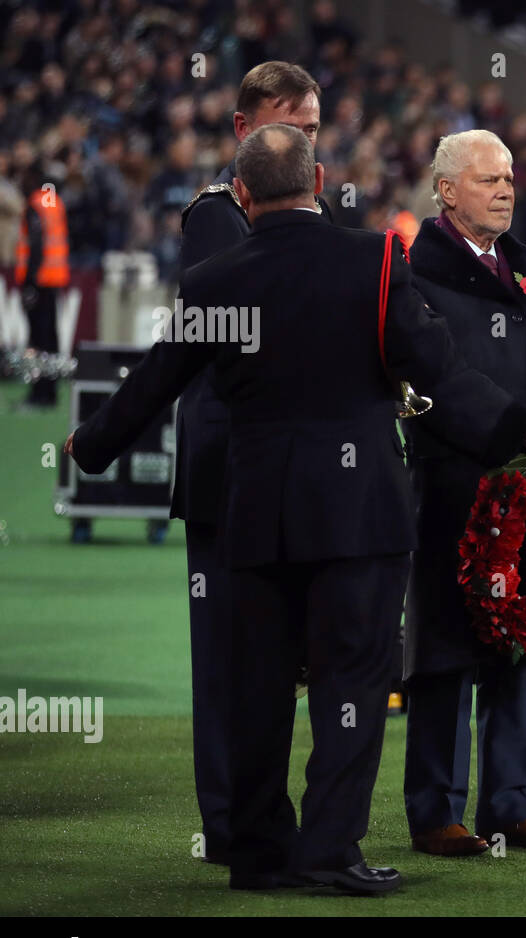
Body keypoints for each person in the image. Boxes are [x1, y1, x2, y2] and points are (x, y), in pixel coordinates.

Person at [66, 124, 526, 893]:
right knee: (351, 684)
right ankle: (328, 851)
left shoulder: (214, 279)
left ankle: (256, 852)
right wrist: (523, 435)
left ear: (242, 195)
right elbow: (442, 375)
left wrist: (87, 445)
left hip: (256, 512)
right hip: (360, 516)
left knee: (257, 686)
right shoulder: (377, 258)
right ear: (319, 178)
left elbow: (153, 383)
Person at [402, 129, 526, 856]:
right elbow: (439, 376)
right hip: (455, 489)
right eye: (489, 180)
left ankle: (509, 804)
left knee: (520, 640)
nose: (507, 189)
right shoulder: (412, 274)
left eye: (510, 178)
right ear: (448, 191)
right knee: (447, 648)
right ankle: (435, 811)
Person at [174, 61, 331, 867]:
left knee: (274, 659)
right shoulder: (213, 216)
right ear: (243, 131)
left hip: (280, 465)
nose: (304, 141)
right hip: (229, 466)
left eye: (311, 128)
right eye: (289, 127)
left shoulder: (308, 212)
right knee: (231, 659)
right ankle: (232, 822)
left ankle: (260, 818)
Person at [13, 162, 69, 409]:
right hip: (54, 278)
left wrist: (29, 283)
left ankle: (39, 394)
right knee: (51, 338)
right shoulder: (55, 203)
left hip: (39, 280)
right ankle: (51, 391)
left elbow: (35, 243)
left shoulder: (35, 204)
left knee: (38, 339)